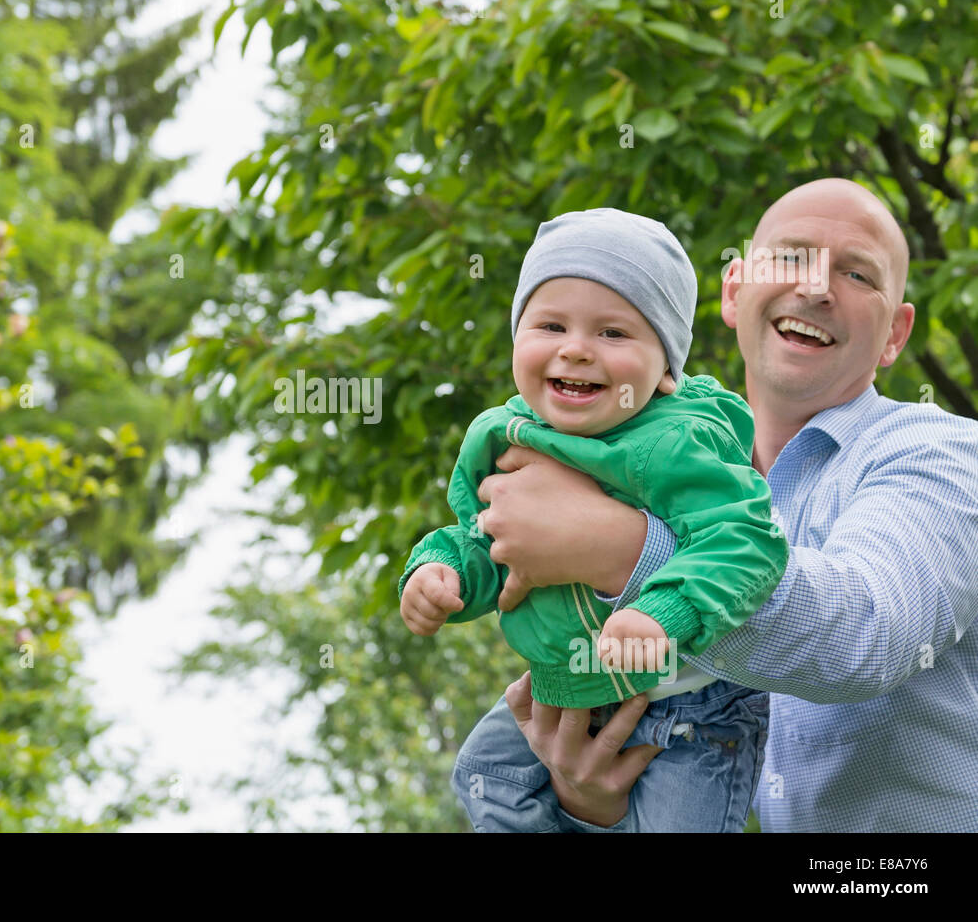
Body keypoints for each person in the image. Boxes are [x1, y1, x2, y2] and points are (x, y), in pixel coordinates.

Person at [456, 178, 978, 831]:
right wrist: (593, 807)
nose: (815, 287)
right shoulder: (663, 465)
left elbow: (870, 631)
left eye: (856, 273)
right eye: (788, 257)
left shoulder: (944, 451)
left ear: (897, 333)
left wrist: (620, 550)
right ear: (734, 291)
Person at [398, 208, 787, 831]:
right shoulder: (511, 438)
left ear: (665, 371)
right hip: (560, 690)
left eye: (613, 333)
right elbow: (484, 541)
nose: (576, 349)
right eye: (550, 324)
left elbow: (747, 541)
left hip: (687, 706)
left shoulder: (676, 443)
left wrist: (664, 611)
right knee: (486, 773)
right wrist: (441, 571)